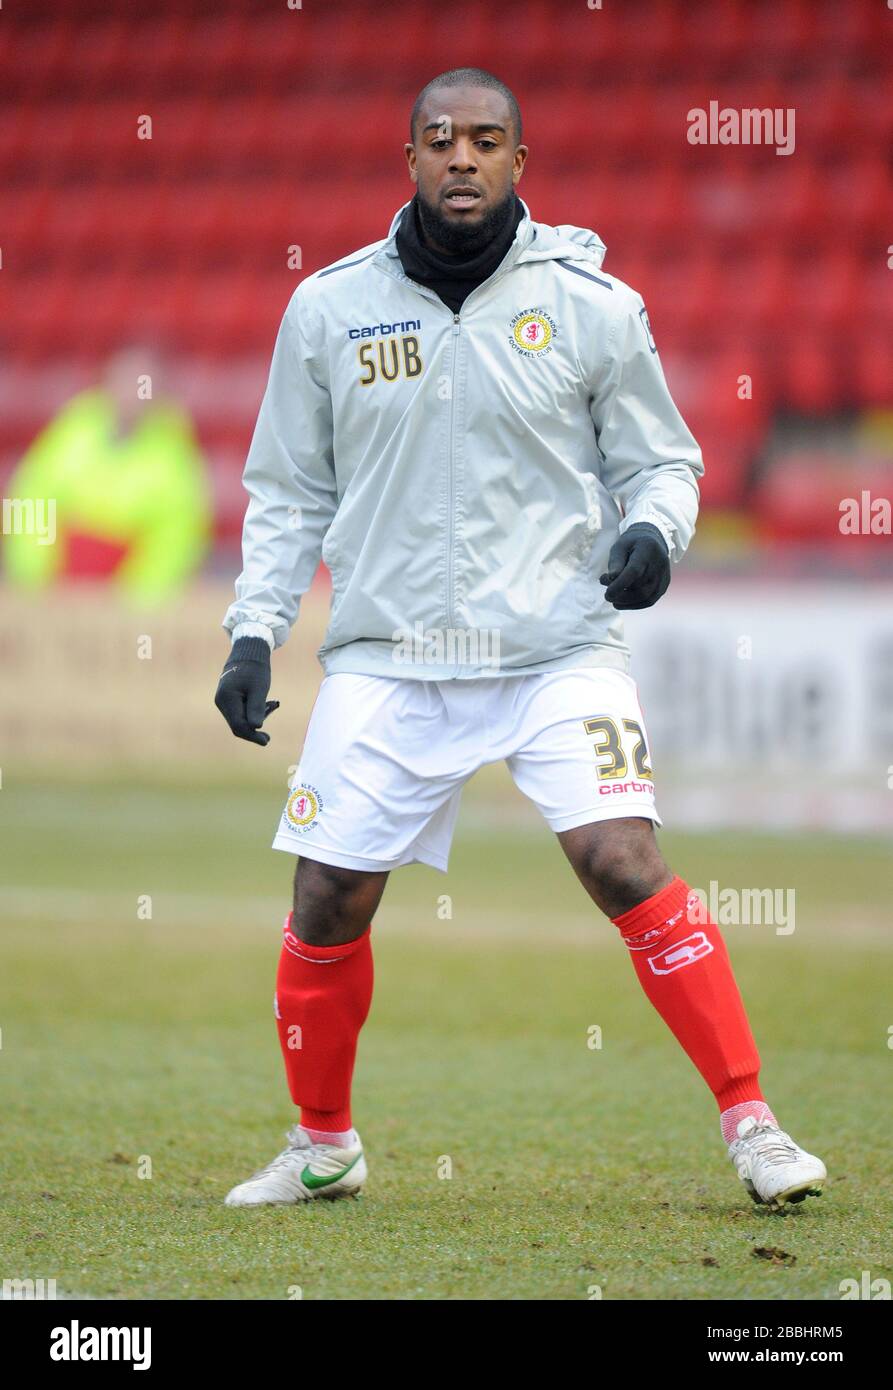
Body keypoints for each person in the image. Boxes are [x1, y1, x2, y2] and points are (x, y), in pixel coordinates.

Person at [215, 68, 826, 1210]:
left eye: (485, 141)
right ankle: (322, 1143)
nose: (461, 159)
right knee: (323, 899)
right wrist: (254, 632)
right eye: (439, 140)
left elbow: (661, 460)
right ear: (407, 160)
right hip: (389, 654)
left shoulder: (593, 303)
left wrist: (652, 530)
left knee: (623, 860)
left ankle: (753, 1124)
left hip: (554, 647)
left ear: (517, 164)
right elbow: (288, 490)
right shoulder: (331, 308)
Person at [3, 345, 210, 604]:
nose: (132, 394)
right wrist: (35, 577)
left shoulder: (175, 454)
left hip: (120, 610)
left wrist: (127, 602)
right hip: (51, 592)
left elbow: (176, 541)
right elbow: (30, 496)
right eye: (125, 381)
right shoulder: (73, 428)